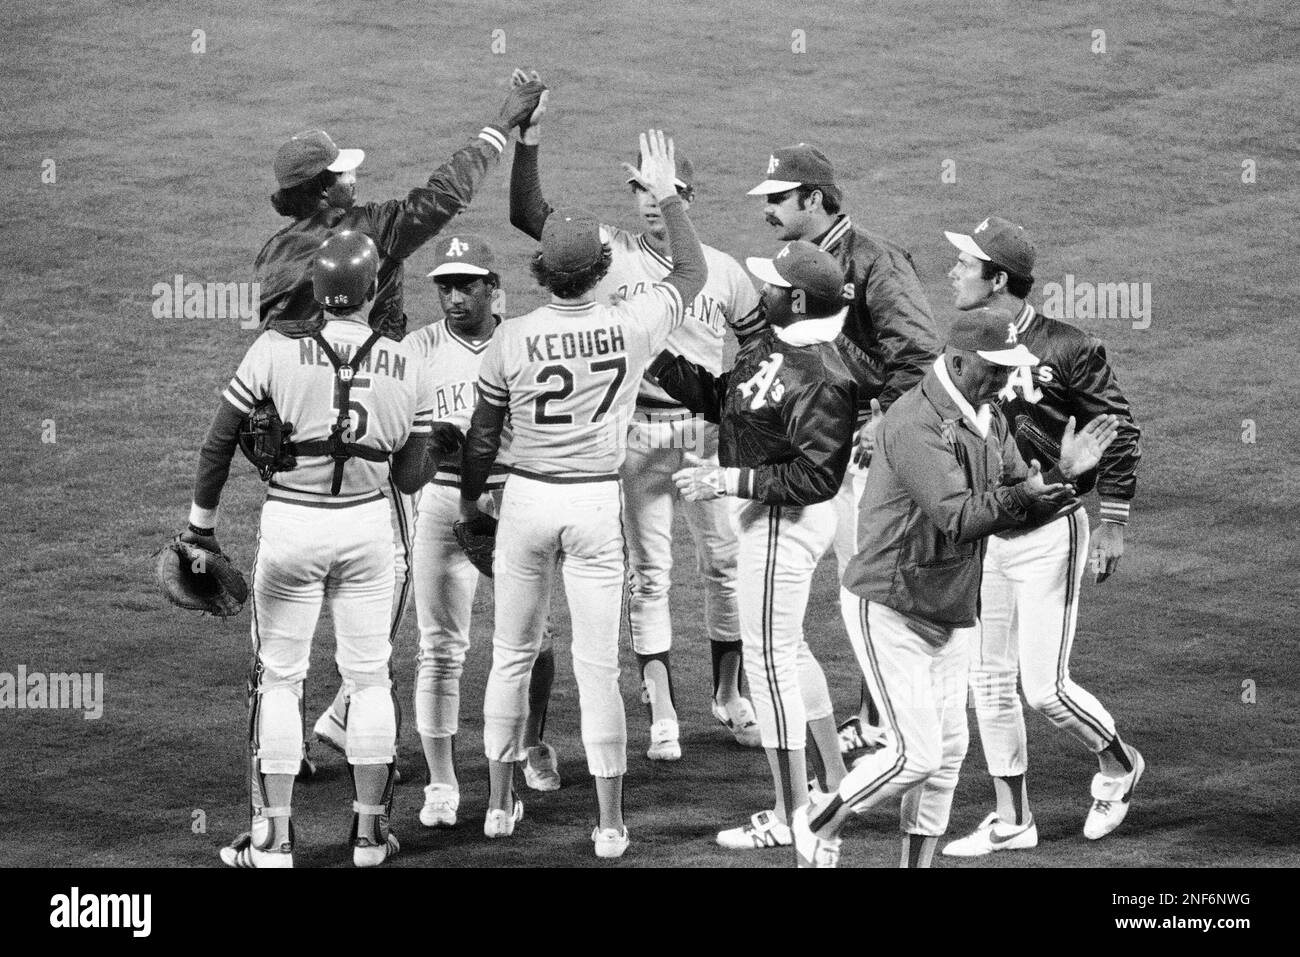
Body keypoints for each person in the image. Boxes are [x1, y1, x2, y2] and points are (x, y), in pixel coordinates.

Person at [259, 77, 545, 778]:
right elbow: (442, 197)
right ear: (325, 192)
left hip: (292, 444)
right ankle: (356, 744)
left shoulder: (273, 255)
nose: (354, 178)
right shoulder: (363, 236)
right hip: (364, 430)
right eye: (342, 174)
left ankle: (285, 747)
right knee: (386, 573)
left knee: (285, 621)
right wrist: (499, 124)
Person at [790, 308, 1119, 868]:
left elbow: (1019, 491)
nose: (1003, 381)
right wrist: (1035, 492)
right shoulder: (915, 421)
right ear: (959, 361)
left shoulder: (987, 414)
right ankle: (818, 821)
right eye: (995, 369)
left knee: (946, 758)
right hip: (890, 604)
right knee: (914, 756)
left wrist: (1068, 477)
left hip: (949, 608)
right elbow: (959, 517)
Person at [460, 130, 707, 859]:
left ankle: (500, 806)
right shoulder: (630, 324)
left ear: (541, 273)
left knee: (510, 654)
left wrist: (478, 500)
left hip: (528, 501)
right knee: (596, 666)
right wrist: (666, 192)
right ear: (603, 268)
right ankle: (609, 821)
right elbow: (689, 271)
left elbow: (480, 436)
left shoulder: (514, 336)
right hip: (597, 502)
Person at [509, 72, 762, 761]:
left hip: (707, 439)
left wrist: (740, 413)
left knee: (726, 562)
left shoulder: (727, 270)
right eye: (642, 190)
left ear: (687, 197)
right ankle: (663, 710)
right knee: (649, 571)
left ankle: (729, 695)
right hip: (637, 436)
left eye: (665, 191)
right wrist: (527, 139)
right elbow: (529, 210)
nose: (651, 203)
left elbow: (761, 346)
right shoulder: (609, 253)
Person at [194, 230, 448, 868]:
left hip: (291, 527)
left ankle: (272, 841)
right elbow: (409, 477)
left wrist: (201, 529)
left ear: (317, 289)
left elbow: (218, 442)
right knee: (368, 678)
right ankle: (368, 835)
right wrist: (436, 443)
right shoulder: (407, 360)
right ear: (371, 291)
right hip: (366, 530)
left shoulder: (275, 350)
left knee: (279, 679)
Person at [938, 217, 1144, 856]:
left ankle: (1119, 763)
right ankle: (1012, 820)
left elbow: (1119, 431)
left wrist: (1111, 523)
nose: (952, 272)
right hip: (988, 536)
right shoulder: (966, 340)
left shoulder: (1068, 346)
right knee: (989, 681)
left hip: (1051, 531)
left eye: (965, 264)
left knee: (1044, 689)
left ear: (998, 279)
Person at [651, 241, 857, 852]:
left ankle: (792, 813)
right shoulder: (772, 345)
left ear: (795, 298)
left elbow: (819, 478)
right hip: (766, 514)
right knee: (786, 652)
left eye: (769, 285)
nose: (758, 291)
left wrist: (726, 479)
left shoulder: (824, 375)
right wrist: (657, 360)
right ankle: (834, 782)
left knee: (768, 668)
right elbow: (728, 400)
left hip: (784, 522)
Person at [747, 144, 942, 765]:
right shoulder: (795, 263)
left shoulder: (875, 261)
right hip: (824, 444)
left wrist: (883, 418)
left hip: (866, 454)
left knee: (869, 587)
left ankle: (887, 723)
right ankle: (874, 718)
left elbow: (919, 353)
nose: (768, 210)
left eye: (778, 198)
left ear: (813, 198)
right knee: (855, 584)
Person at [400, 234, 563, 828]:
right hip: (443, 501)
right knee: (439, 646)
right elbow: (402, 453)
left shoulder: (524, 342)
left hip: (515, 499)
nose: (453, 298)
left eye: (466, 286)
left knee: (534, 639)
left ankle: (528, 744)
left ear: (494, 289)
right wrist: (427, 444)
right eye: (444, 286)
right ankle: (441, 782)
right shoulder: (416, 348)